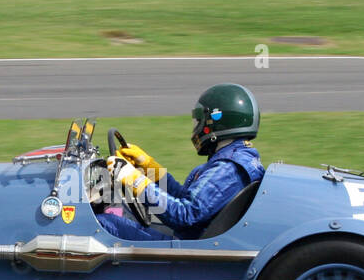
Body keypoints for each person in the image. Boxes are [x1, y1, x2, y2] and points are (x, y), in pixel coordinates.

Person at [97, 84, 265, 242]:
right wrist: (150, 168)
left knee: (103, 223)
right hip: (194, 237)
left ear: (216, 122)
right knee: (121, 215)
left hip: (186, 250)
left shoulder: (228, 168)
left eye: (199, 121)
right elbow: (187, 199)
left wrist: (135, 180)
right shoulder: (237, 159)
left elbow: (184, 215)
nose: (196, 128)